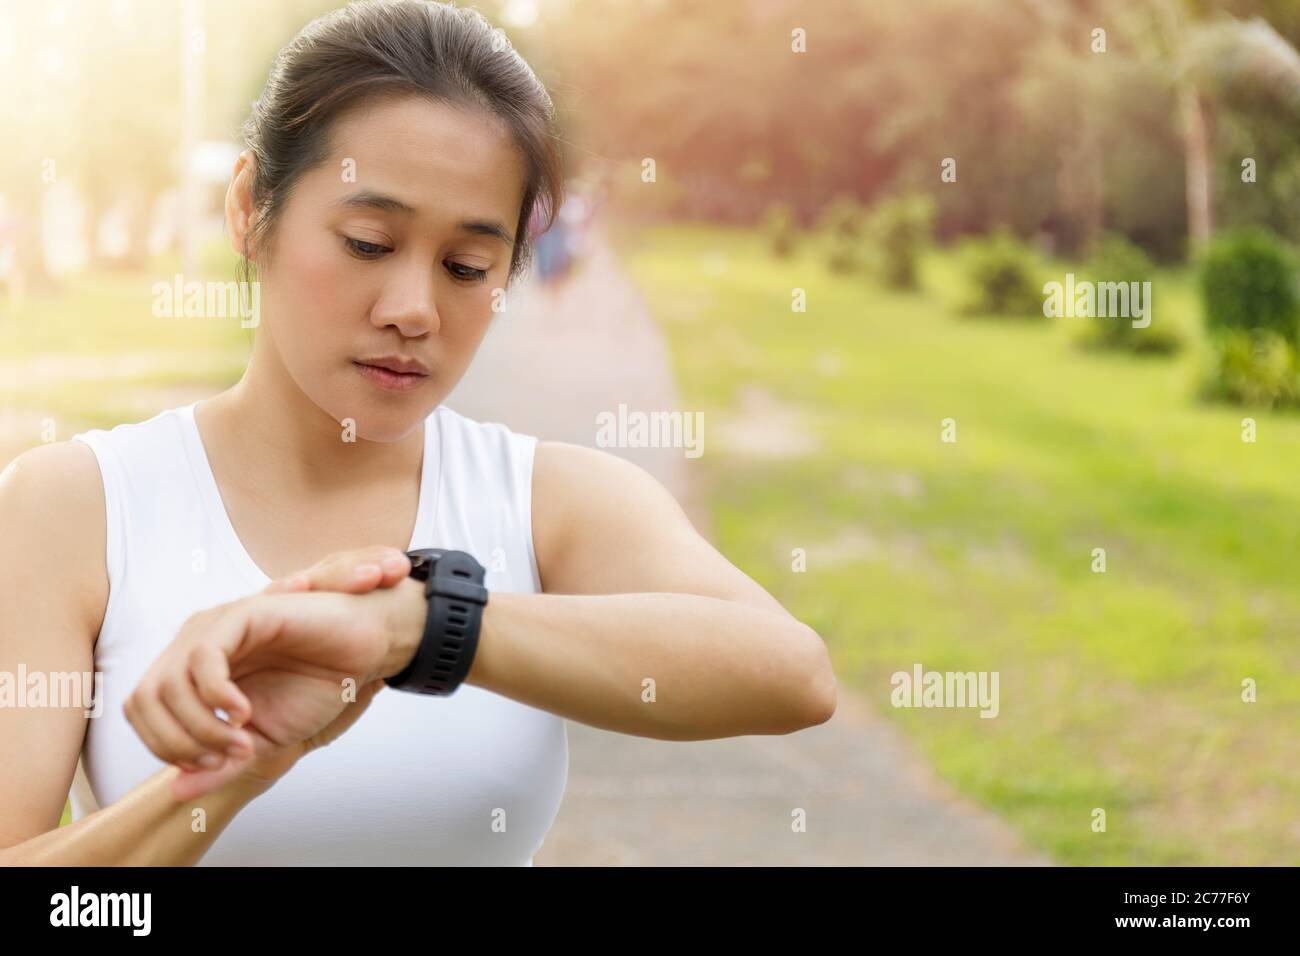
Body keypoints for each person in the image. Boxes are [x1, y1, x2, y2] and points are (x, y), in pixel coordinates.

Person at [0, 0, 835, 867]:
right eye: (368, 243)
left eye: (466, 268)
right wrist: (234, 773)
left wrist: (424, 627)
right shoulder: (79, 506)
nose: (412, 310)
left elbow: (791, 674)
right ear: (252, 207)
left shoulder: (544, 500)